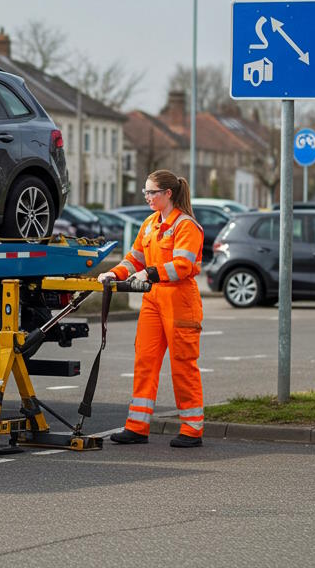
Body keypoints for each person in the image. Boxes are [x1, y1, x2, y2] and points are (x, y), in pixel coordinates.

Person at [96, 170, 206, 448]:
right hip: (153, 299)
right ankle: (137, 426)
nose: (147, 197)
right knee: (145, 361)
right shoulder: (149, 224)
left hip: (179, 300)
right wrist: (115, 274)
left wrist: (151, 274)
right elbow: (135, 258)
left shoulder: (186, 226)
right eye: (145, 192)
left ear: (168, 194)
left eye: (151, 192)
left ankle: (192, 429)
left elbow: (183, 265)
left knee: (183, 365)